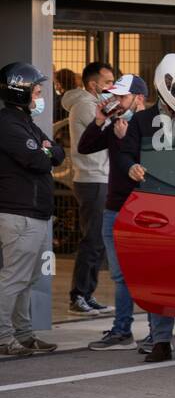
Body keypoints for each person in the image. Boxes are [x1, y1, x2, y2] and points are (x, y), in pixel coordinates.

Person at [113, 55, 175, 362]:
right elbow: (124, 155)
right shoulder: (141, 122)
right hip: (154, 211)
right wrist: (130, 167)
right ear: (167, 86)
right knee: (160, 277)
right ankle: (161, 341)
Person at [79, 74, 148, 351]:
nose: (116, 101)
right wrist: (99, 120)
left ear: (139, 98)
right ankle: (122, 330)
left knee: (146, 273)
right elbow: (84, 147)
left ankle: (158, 334)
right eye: (115, 96)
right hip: (114, 209)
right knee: (120, 276)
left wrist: (123, 138)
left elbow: (140, 167)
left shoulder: (153, 125)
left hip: (144, 211)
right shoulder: (115, 124)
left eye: (122, 96)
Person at [0, 62, 63, 357]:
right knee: (14, 278)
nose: (40, 96)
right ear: (20, 92)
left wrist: (46, 149)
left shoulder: (24, 121)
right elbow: (39, 161)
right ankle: (3, 337)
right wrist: (45, 150)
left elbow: (57, 153)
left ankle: (23, 334)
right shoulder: (9, 124)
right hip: (20, 215)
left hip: (34, 214)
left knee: (25, 278)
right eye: (37, 91)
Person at [62, 60, 116, 317]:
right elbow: (109, 131)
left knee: (97, 241)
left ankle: (87, 294)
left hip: (99, 177)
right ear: (93, 84)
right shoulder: (86, 105)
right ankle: (78, 296)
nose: (112, 87)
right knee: (92, 240)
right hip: (92, 178)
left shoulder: (94, 103)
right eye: (107, 83)